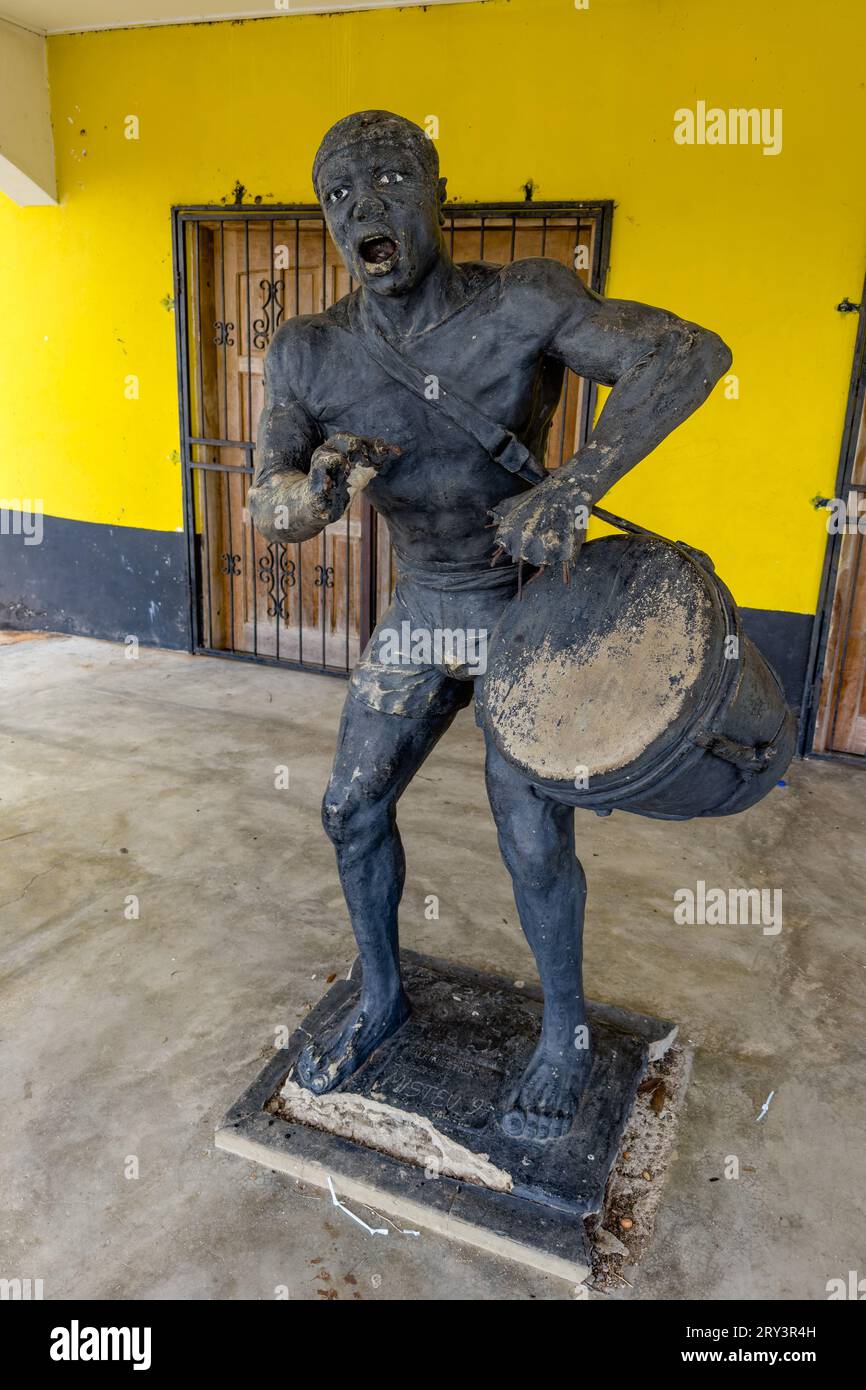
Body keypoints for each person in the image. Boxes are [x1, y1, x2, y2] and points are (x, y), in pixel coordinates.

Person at [248, 111, 731, 1140]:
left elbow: (688, 353)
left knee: (531, 841)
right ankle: (382, 994)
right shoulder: (307, 351)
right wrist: (317, 495)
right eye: (337, 195)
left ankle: (562, 1029)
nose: (360, 208)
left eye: (385, 181)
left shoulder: (522, 300)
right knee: (347, 807)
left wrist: (578, 481)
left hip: (526, 609)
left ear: (437, 194)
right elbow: (270, 504)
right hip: (424, 609)